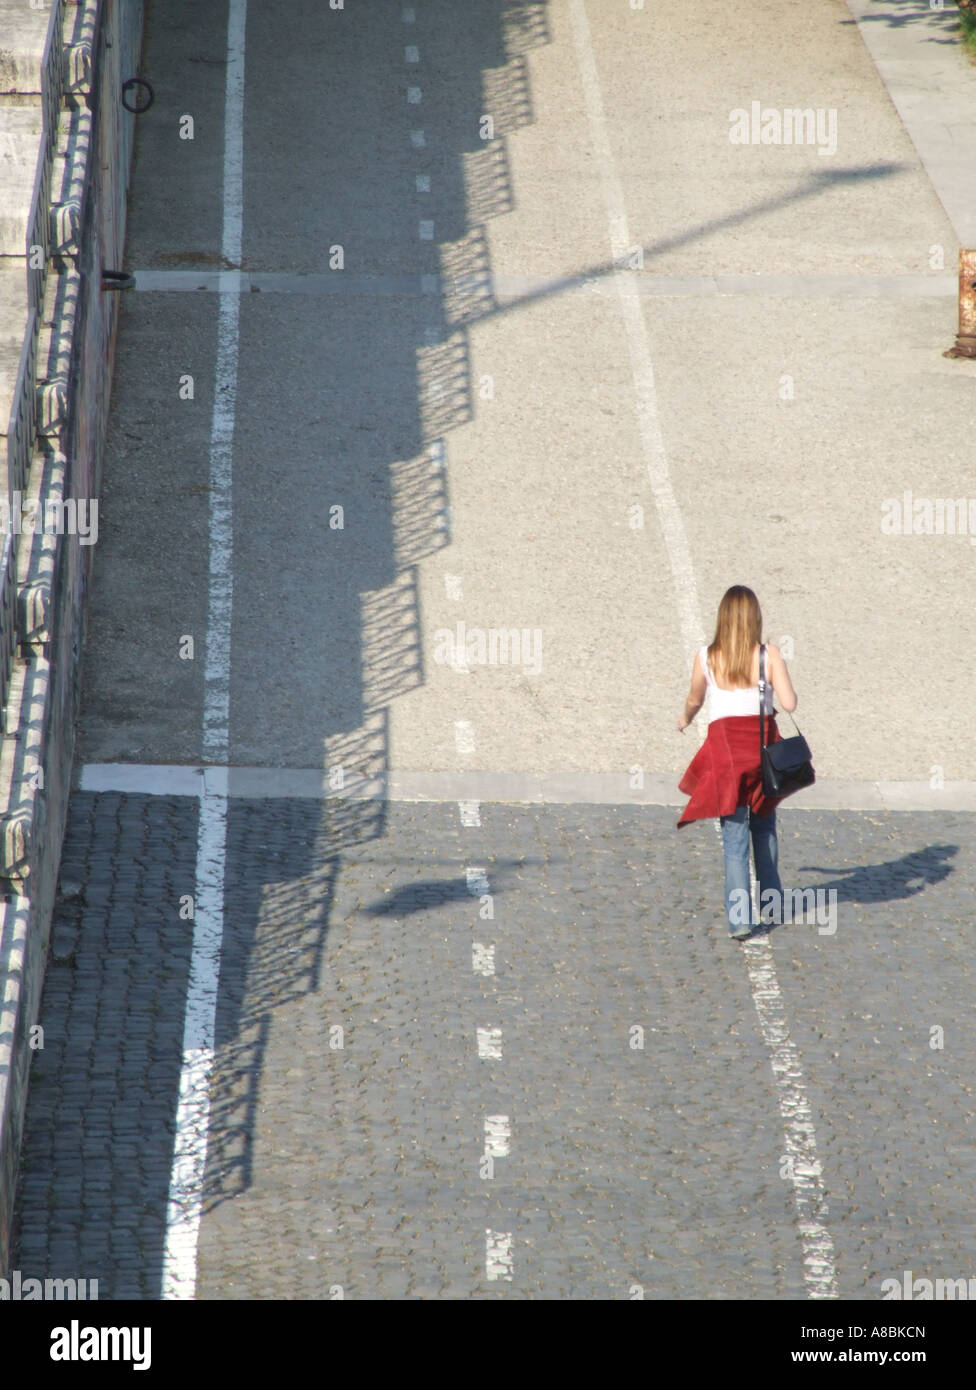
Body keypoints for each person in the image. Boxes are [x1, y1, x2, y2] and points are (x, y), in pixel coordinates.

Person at [676, 585, 798, 940]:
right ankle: (772, 906)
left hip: (727, 758)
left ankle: (741, 920)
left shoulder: (707, 656)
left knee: (734, 839)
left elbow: (694, 698)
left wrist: (684, 718)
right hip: (762, 756)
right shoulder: (767, 654)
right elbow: (789, 704)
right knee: (764, 828)